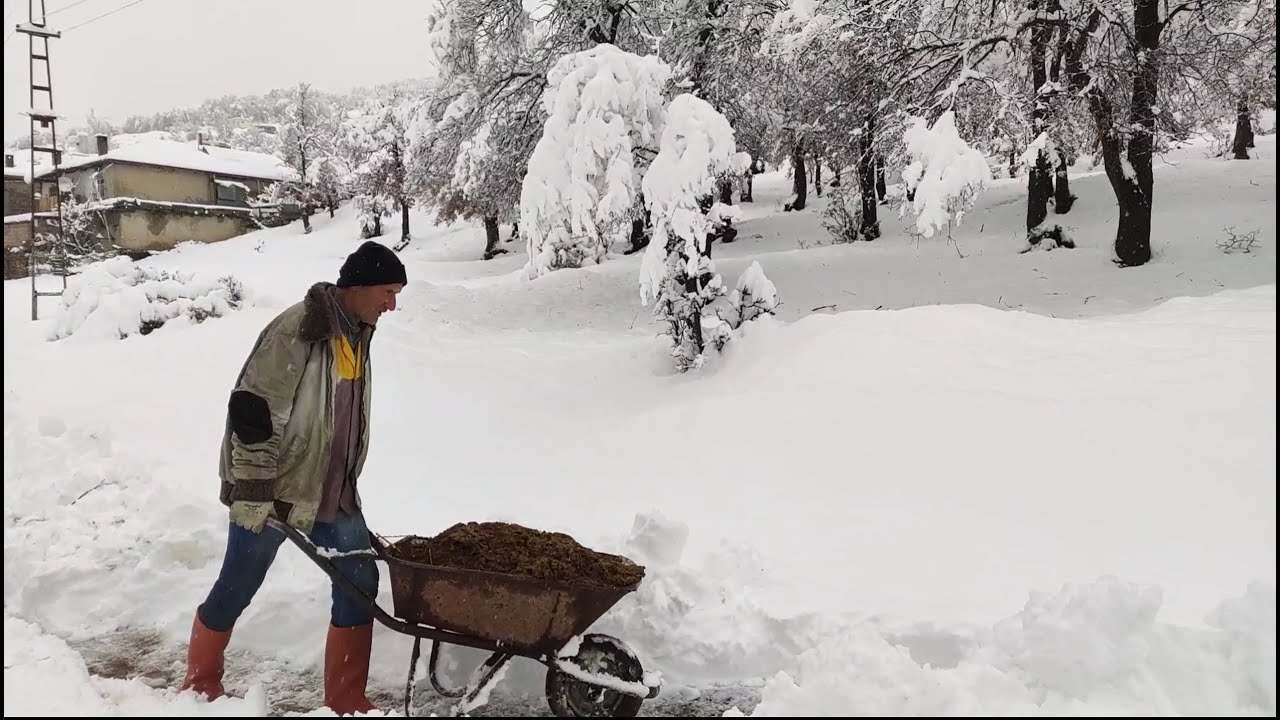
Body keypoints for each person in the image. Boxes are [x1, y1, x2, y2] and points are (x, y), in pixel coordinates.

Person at [181, 241, 407, 715]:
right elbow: (253, 412)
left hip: (333, 493)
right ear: (359, 286)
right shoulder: (299, 330)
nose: (392, 304)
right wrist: (254, 491)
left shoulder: (357, 335)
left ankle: (346, 699)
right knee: (238, 583)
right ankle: (201, 682)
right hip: (276, 492)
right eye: (388, 291)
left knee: (358, 579)